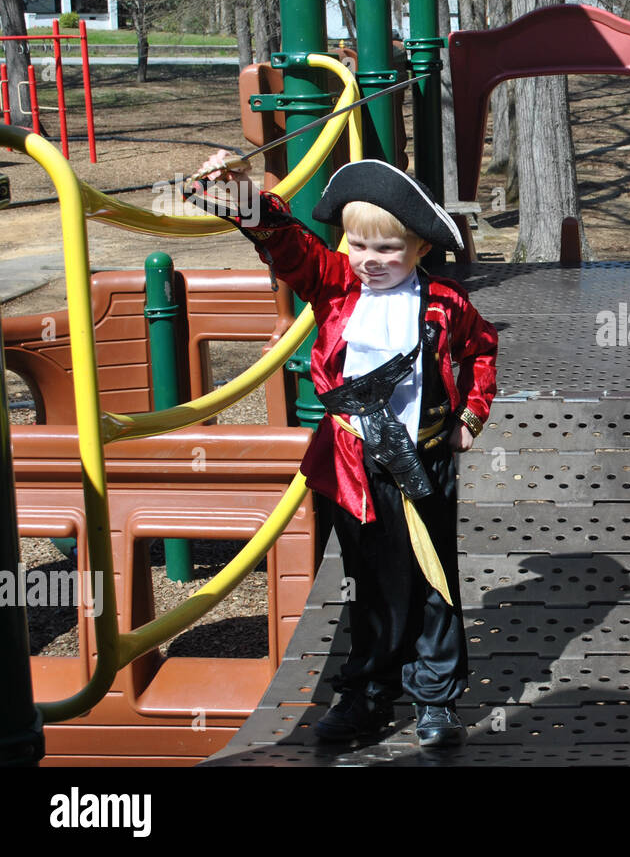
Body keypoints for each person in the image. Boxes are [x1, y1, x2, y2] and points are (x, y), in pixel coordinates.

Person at [191, 156, 498, 748]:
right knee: (368, 582)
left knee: (434, 579)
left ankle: (435, 696)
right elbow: (286, 243)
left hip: (424, 459)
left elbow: (481, 351)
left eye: (387, 249)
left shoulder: (445, 303)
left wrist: (470, 419)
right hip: (353, 463)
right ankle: (368, 693)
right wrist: (237, 192)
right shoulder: (333, 283)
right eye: (358, 245)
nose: (370, 260)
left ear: (418, 250)